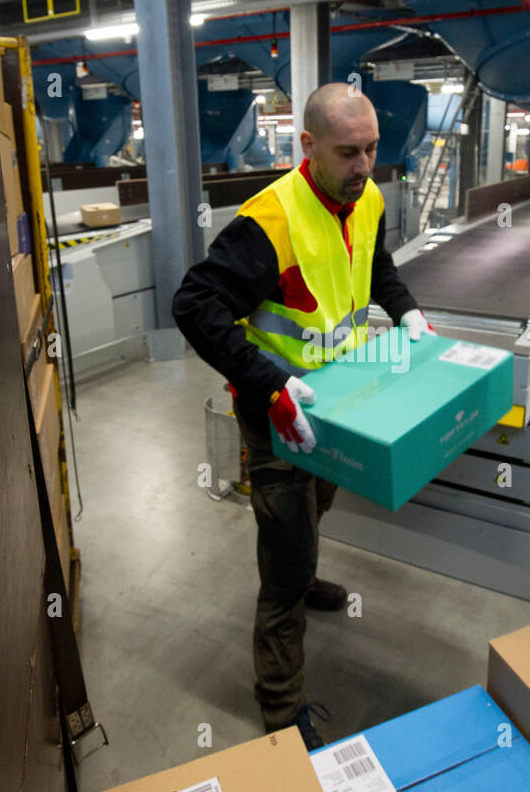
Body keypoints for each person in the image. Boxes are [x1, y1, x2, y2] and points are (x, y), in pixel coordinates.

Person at [171, 82, 430, 749]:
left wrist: (406, 309)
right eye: (349, 153)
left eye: (372, 149)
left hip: (338, 406)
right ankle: (282, 709)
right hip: (280, 417)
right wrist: (270, 384)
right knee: (282, 567)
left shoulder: (364, 197)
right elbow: (194, 307)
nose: (365, 166)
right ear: (307, 146)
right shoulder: (270, 224)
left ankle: (305, 566)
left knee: (315, 509)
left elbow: (374, 263)